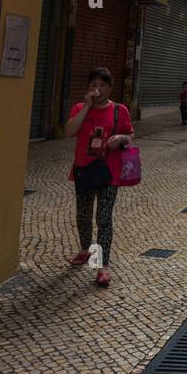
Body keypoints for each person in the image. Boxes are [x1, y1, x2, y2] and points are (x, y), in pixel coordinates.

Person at [65, 67, 134, 288]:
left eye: (103, 85)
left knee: (103, 219)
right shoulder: (79, 108)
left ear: (110, 87)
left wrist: (121, 137)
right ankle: (86, 249)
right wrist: (86, 106)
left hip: (108, 172)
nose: (98, 89)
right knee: (83, 215)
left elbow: (130, 135)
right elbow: (69, 131)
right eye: (94, 84)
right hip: (84, 169)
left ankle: (101, 266)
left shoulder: (119, 110)